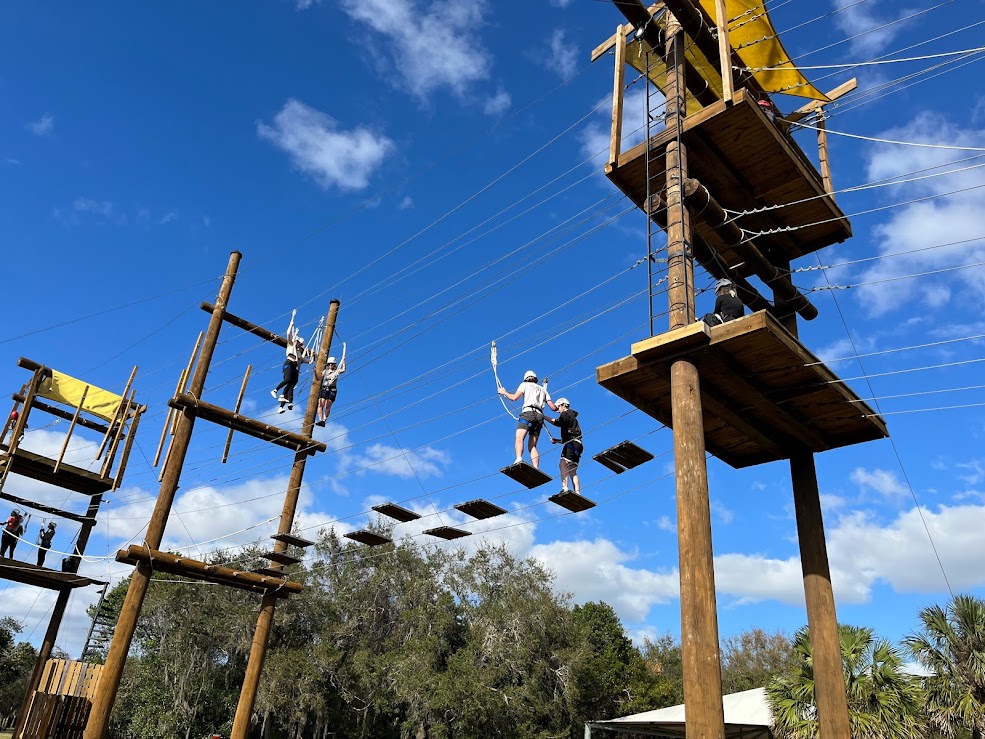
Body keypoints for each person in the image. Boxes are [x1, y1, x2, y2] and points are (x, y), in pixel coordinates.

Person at [499, 370, 557, 469]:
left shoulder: (524, 385)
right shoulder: (543, 390)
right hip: (539, 416)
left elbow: (514, 398)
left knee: (519, 438)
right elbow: (553, 408)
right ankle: (536, 467)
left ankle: (519, 458)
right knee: (533, 445)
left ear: (526, 378)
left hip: (528, 413)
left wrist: (504, 392)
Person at [271, 312, 312, 414]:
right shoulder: (290, 345)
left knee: (291, 385)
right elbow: (288, 333)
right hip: (289, 363)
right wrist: (292, 322)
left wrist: (311, 357)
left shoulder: (299, 353)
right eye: (299, 342)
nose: (299, 344)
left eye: (301, 344)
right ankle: (275, 390)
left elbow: (305, 360)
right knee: (288, 380)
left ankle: (284, 404)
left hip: (294, 368)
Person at [544, 398, 583, 495]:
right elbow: (569, 437)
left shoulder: (566, 414)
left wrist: (543, 417)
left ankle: (564, 487)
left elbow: (557, 422)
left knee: (562, 464)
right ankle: (577, 492)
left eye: (558, 408)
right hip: (577, 445)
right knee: (572, 470)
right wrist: (557, 441)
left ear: (562, 405)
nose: (558, 411)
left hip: (572, 444)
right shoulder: (572, 418)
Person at [316, 354, 346, 427]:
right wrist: (315, 372)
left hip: (332, 389)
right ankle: (320, 419)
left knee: (328, 405)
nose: (330, 365)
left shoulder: (336, 371)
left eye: (332, 364)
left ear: (334, 364)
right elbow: (318, 378)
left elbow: (343, 370)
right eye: (329, 364)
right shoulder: (325, 372)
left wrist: (343, 361)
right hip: (325, 388)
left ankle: (324, 420)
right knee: (321, 404)